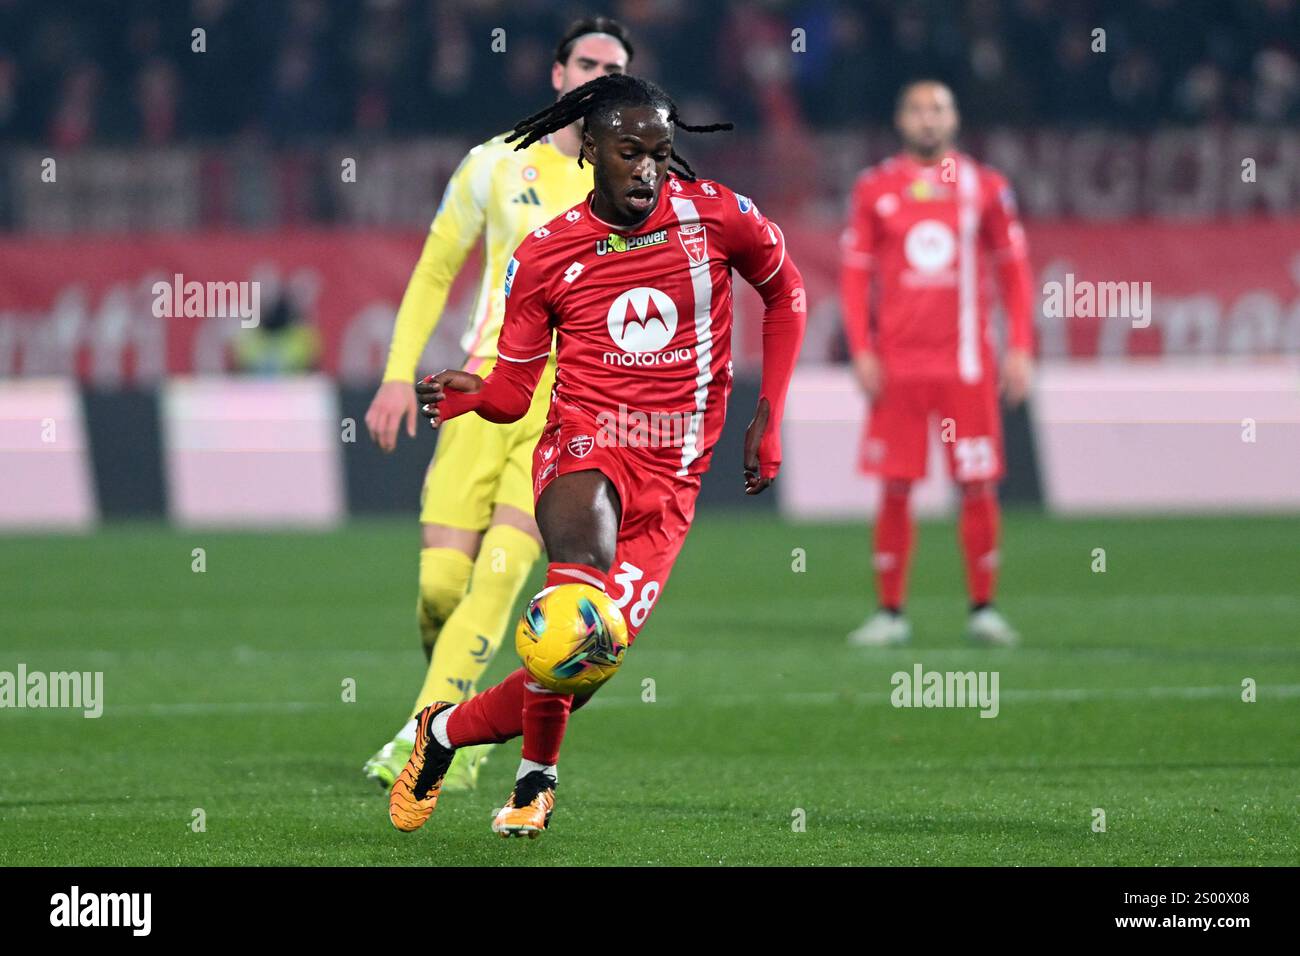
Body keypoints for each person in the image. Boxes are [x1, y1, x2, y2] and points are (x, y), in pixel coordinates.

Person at [388, 74, 806, 838]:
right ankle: (533, 784)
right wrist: (474, 394)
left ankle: (447, 736)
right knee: (573, 609)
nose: (645, 169)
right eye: (628, 152)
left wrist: (768, 415)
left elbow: (785, 291)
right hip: (587, 443)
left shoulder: (714, 216)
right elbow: (515, 391)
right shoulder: (546, 254)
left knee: (579, 665)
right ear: (590, 152)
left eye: (659, 154)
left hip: (676, 471)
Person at [360, 18, 634, 791]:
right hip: (485, 390)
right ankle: (461, 707)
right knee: (442, 588)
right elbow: (435, 268)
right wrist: (394, 374)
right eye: (587, 63)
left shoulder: (629, 181)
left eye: (614, 70)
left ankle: (424, 742)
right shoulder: (492, 162)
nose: (597, 77)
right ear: (557, 75)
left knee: (500, 578)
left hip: (570, 408)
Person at [840, 79, 1034, 648]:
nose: (929, 119)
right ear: (901, 120)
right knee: (895, 485)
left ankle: (983, 608)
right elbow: (854, 277)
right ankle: (890, 613)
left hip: (966, 365)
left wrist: (1021, 345)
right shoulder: (875, 188)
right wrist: (862, 348)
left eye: (939, 109)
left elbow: (1014, 272)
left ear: (954, 119)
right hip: (898, 367)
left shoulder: (986, 186)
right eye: (918, 110)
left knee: (977, 485)